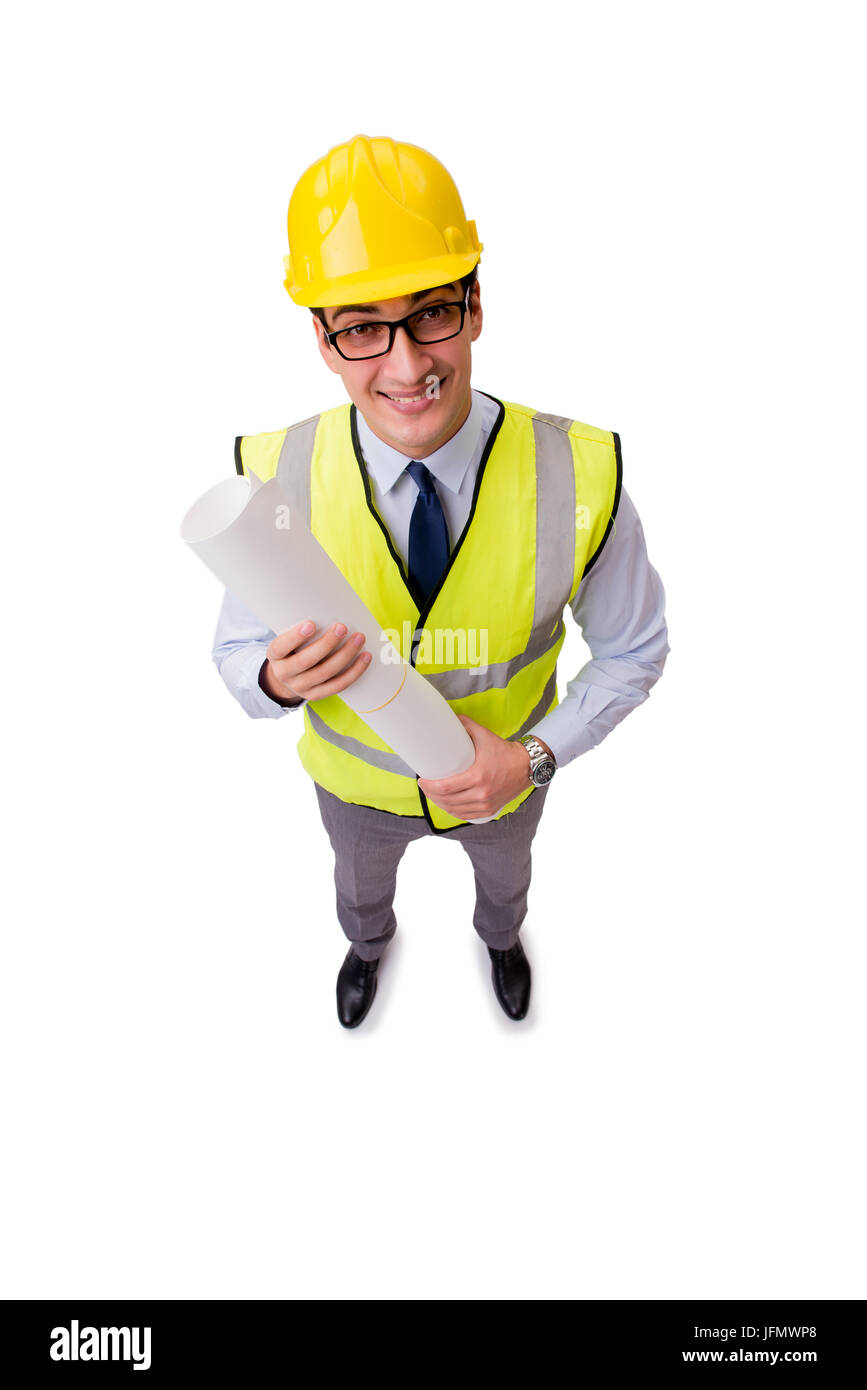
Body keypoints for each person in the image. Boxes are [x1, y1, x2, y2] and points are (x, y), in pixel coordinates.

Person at [211, 134, 670, 1028]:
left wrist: (533, 760)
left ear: (475, 304)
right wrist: (270, 677)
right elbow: (234, 653)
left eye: (431, 314)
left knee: (506, 892)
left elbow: (634, 653)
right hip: (355, 790)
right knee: (358, 895)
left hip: (504, 788)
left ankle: (501, 942)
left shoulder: (578, 474)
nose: (407, 364)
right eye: (361, 327)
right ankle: (367, 948)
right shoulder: (278, 472)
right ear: (321, 338)